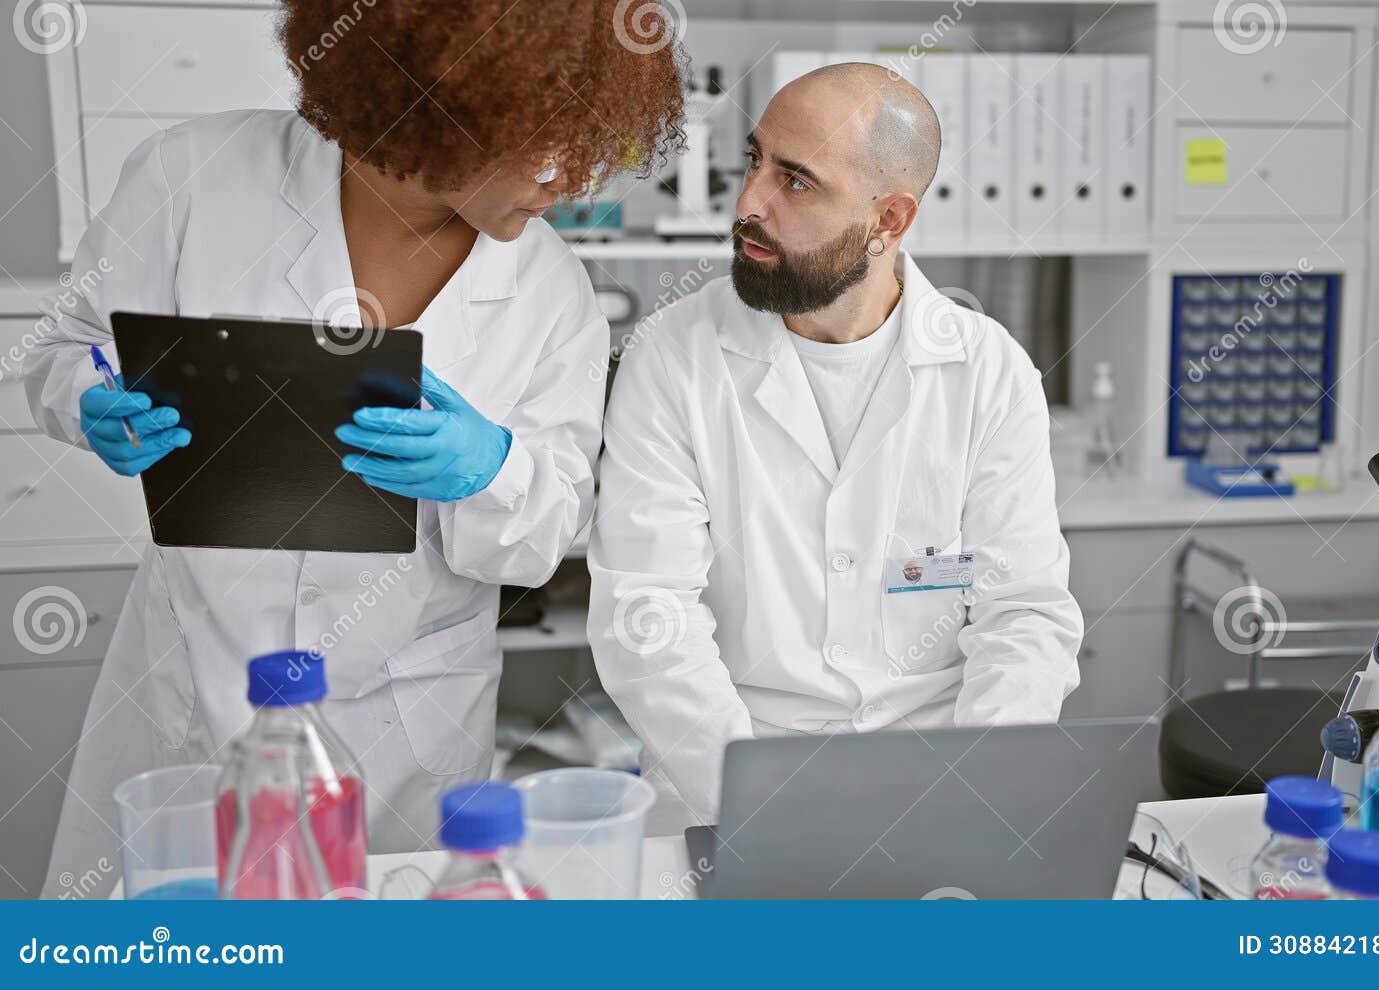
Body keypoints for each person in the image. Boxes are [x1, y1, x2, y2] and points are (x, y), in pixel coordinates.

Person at [25, 0, 684, 895]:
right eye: (543, 142)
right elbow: (67, 348)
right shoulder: (192, 177)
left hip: (406, 715)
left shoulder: (551, 291)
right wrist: (88, 402)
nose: (569, 183)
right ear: (449, 105)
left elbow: (548, 527)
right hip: (198, 677)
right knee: (175, 934)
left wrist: (492, 468)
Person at [588, 63, 1083, 829]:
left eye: (797, 182)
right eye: (755, 161)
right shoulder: (671, 358)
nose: (748, 204)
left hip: (937, 782)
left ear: (888, 220)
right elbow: (648, 615)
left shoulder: (988, 373)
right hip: (729, 779)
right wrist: (761, 811)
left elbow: (1023, 616)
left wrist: (970, 798)